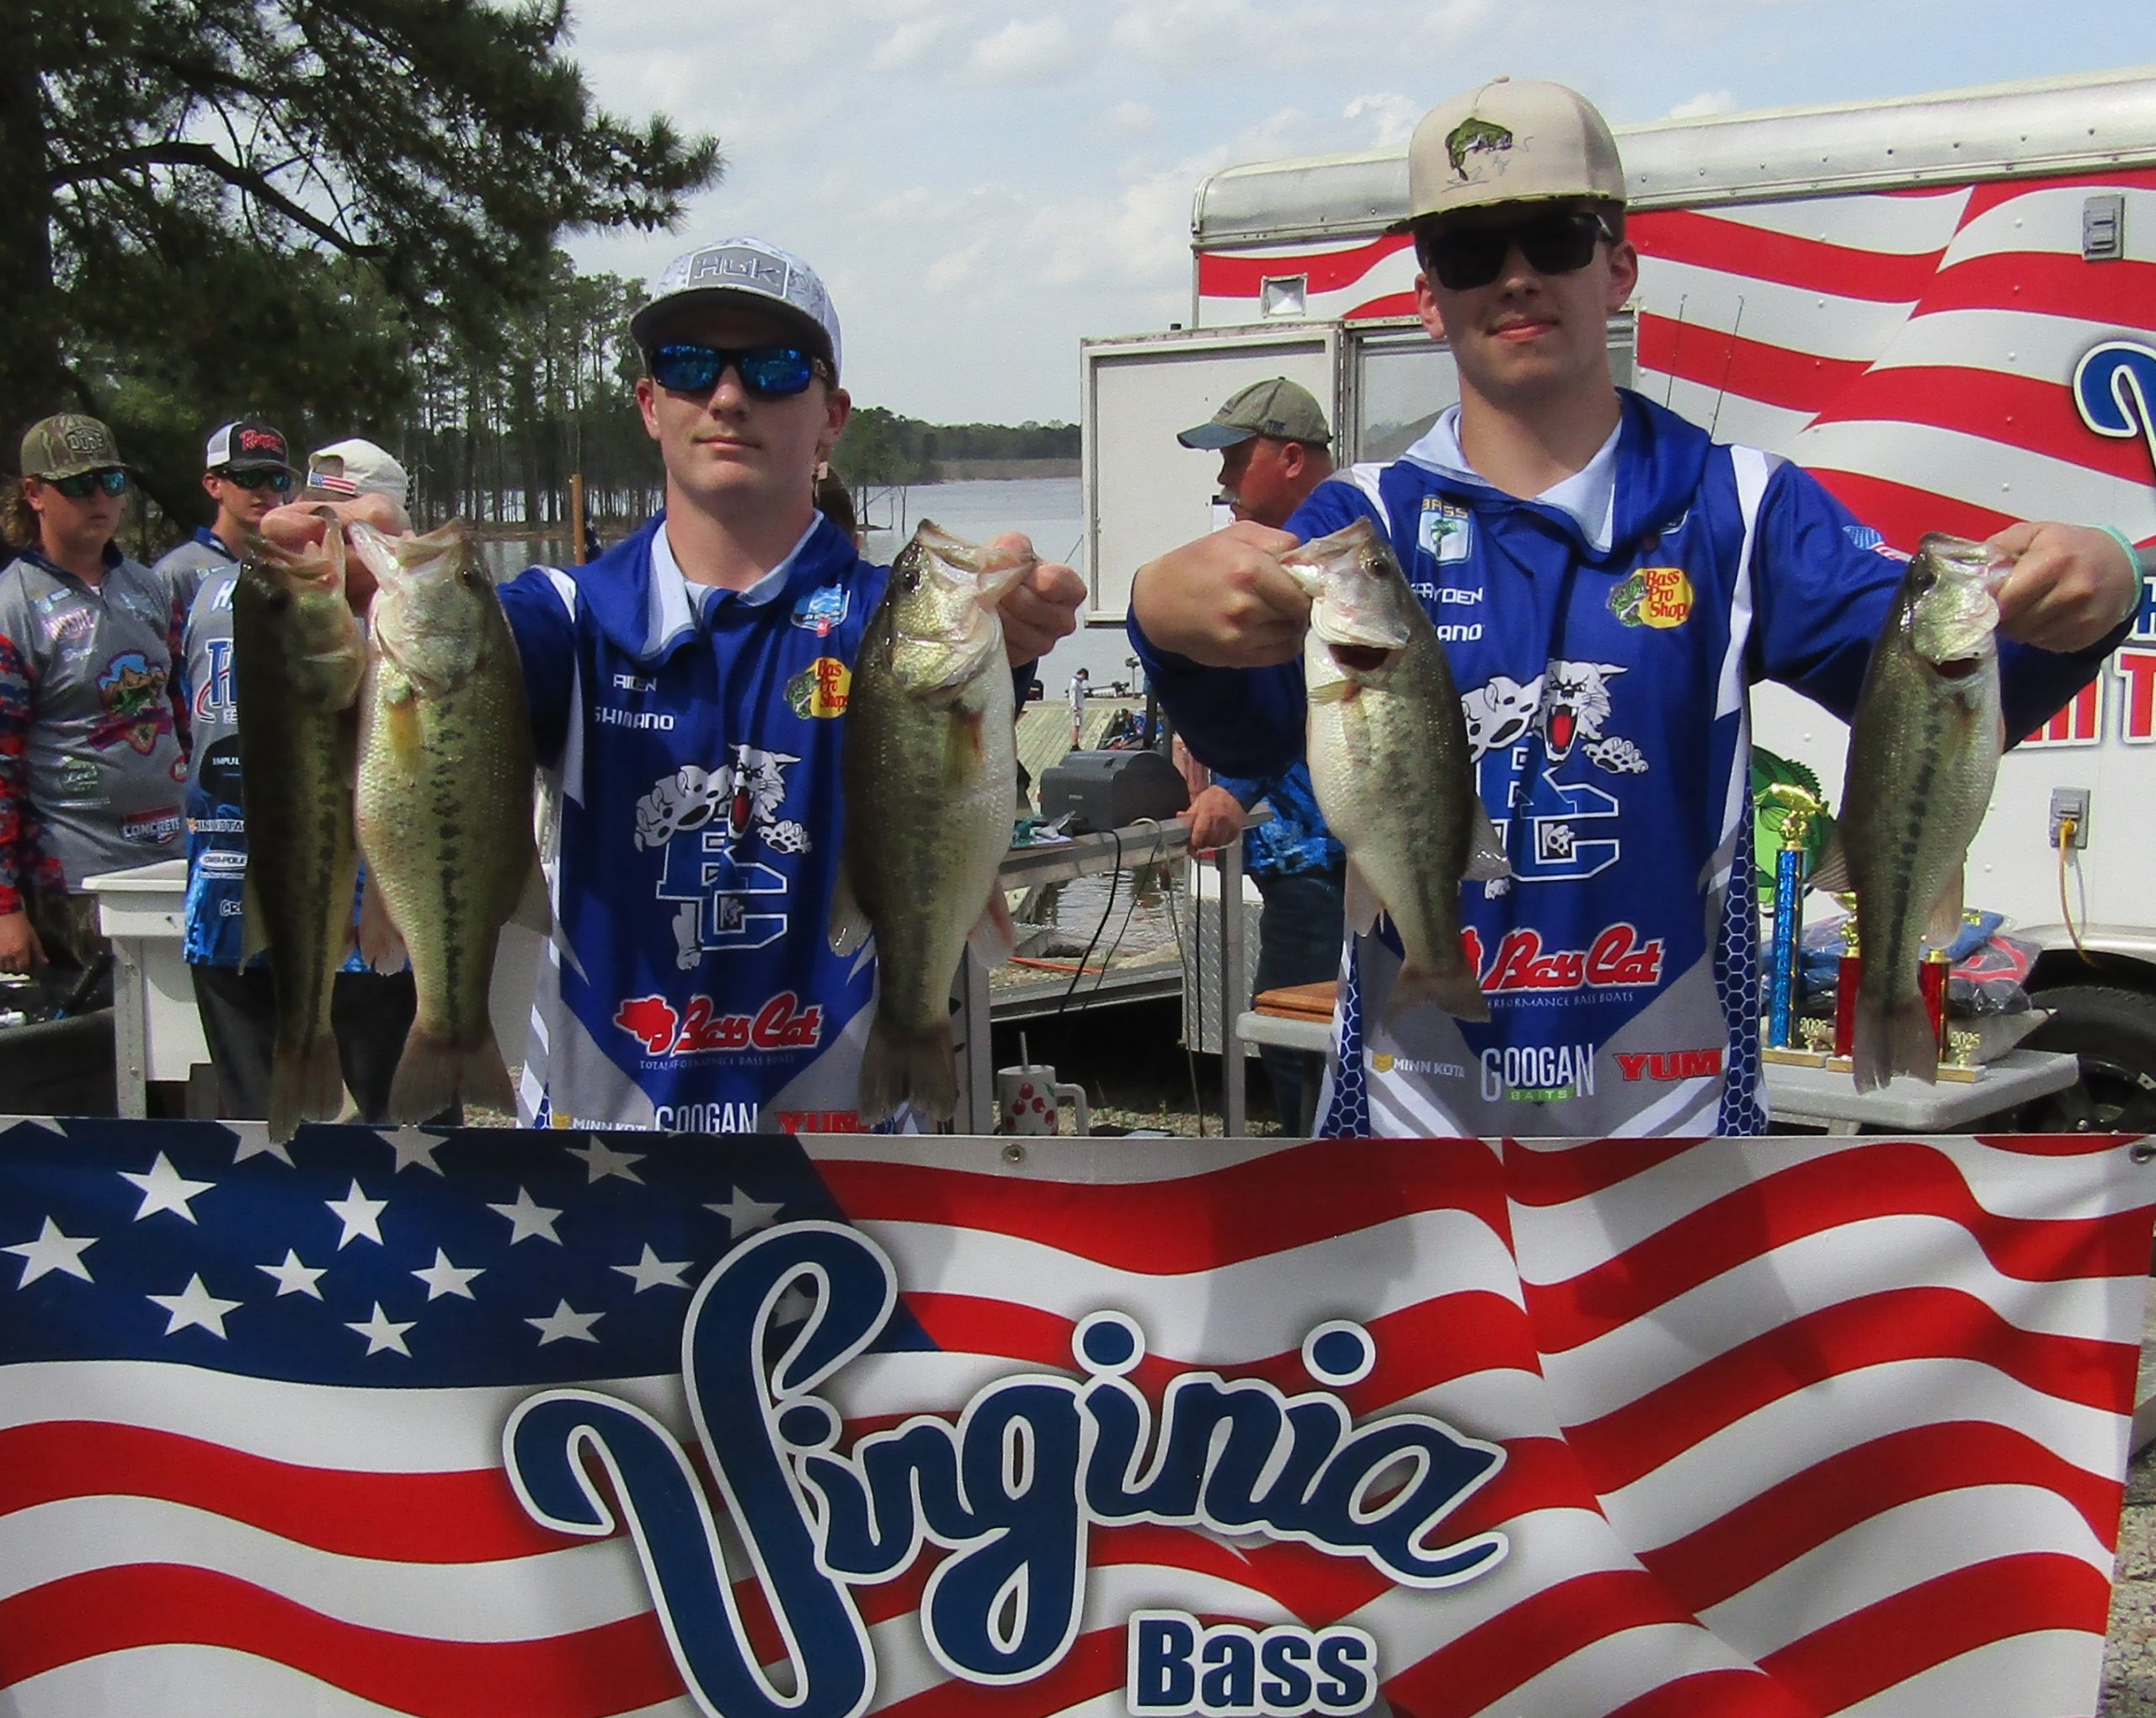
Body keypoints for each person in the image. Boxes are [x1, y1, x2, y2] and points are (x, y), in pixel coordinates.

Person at [1128, 77, 2139, 1139]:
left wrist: (2104, 589)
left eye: (1555, 237)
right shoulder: (1359, 525)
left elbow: (1955, 707)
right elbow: (1247, 735)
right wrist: (1164, 621)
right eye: (1473, 255)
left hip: (1675, 1130)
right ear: (1427, 298)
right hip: (1409, 1132)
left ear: (1618, 268)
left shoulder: (1742, 507)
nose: (1515, 278)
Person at [296, 237, 1081, 1133]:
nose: (728, 394)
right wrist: (338, 601)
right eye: (687, 364)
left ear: (833, 415)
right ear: (647, 403)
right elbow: (462, 676)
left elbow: (971, 735)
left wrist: (1026, 634)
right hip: (607, 1159)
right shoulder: (565, 612)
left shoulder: (895, 628)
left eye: (777, 368)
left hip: (853, 1152)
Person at [176, 434, 421, 1121]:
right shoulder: (368, 604)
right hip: (349, 926)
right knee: (400, 1152)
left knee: (264, 1145)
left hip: (224, 908)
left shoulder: (213, 588)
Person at [1171, 377, 1348, 1135]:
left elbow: (1311, 704)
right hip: (1306, 860)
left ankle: (1329, 1194)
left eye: (1235, 458)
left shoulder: (1333, 559)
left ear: (1290, 458)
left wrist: (1232, 788)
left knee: (1301, 1046)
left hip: (1332, 860)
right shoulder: (1281, 560)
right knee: (1300, 1042)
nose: (1221, 480)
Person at [0, 414, 188, 976]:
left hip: (172, 862)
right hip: (76, 881)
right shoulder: (14, 606)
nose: (100, 499)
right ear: (34, 493)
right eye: (80, 485)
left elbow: (180, 714)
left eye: (112, 482)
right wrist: (6, 908)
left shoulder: (148, 586)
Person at [154, 419, 294, 616]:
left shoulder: (287, 568)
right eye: (250, 477)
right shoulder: (177, 571)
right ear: (213, 485)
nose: (265, 491)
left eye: (278, 480)